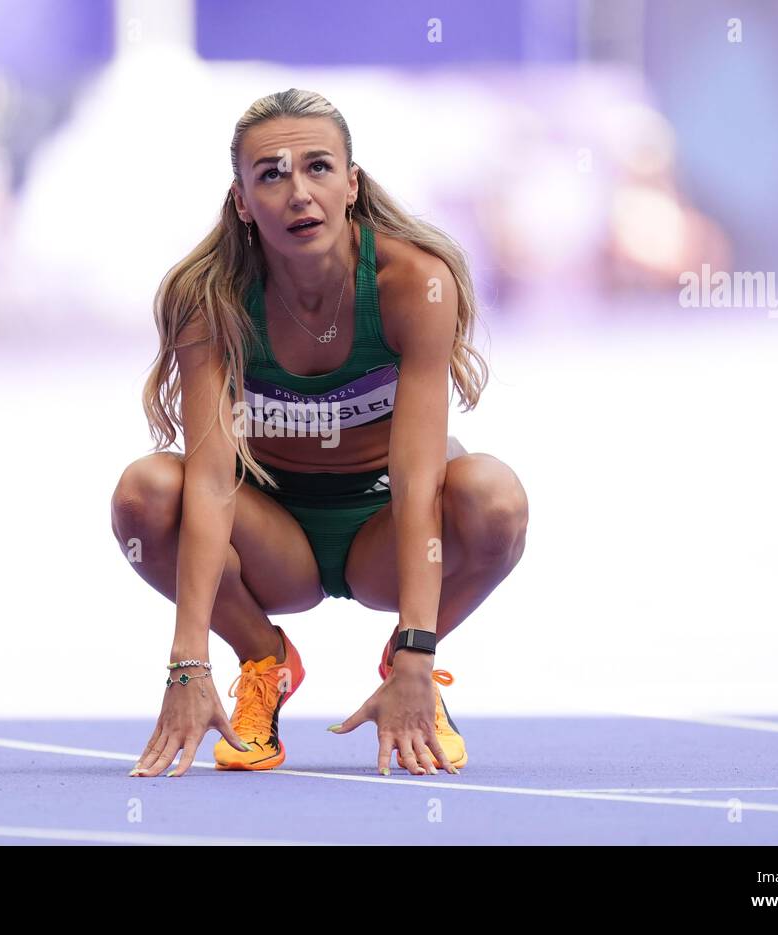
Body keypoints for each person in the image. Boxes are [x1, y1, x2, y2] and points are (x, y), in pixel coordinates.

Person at [110, 88, 528, 779]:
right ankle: (263, 661)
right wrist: (187, 667)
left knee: (495, 497)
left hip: (383, 529)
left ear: (351, 183)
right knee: (145, 493)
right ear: (242, 200)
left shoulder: (413, 283)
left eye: (318, 168)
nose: (297, 191)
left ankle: (406, 675)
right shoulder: (207, 295)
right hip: (273, 532)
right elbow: (210, 483)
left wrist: (418, 650)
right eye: (270, 174)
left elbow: (420, 482)